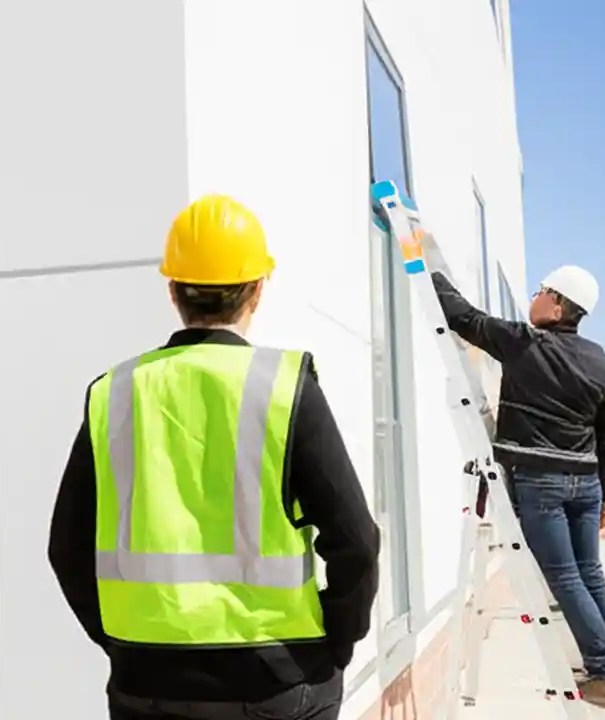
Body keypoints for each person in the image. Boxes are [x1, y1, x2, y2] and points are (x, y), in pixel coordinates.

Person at [49, 195, 381, 720]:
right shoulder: (285, 388)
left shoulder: (114, 393)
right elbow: (356, 541)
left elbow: (66, 549)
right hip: (276, 680)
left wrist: (123, 644)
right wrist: (334, 646)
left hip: (146, 682)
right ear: (257, 289)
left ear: (173, 289)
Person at [429, 264, 605, 709]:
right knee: (590, 574)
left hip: (543, 484)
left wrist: (427, 266)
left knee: (564, 577)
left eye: (542, 291)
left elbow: (463, 317)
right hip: (587, 482)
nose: (533, 297)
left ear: (558, 306)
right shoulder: (600, 360)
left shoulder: (525, 343)